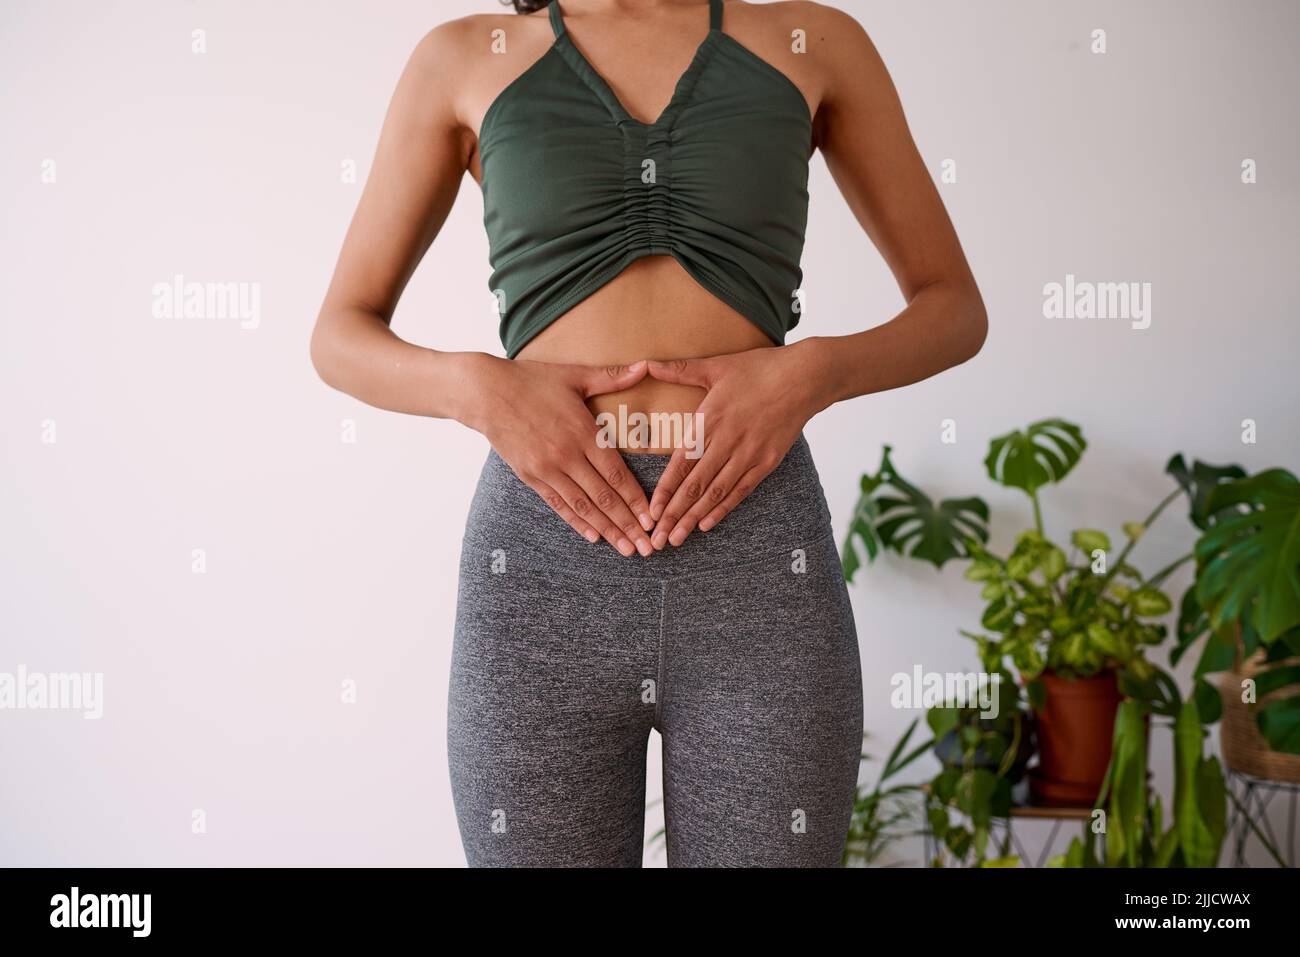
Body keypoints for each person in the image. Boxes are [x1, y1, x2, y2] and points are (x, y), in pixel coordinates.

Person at [310, 0, 986, 867]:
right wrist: (480, 387)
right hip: (538, 579)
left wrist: (810, 374)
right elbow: (340, 333)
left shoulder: (815, 43)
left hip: (759, 569)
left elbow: (953, 308)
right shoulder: (462, 59)